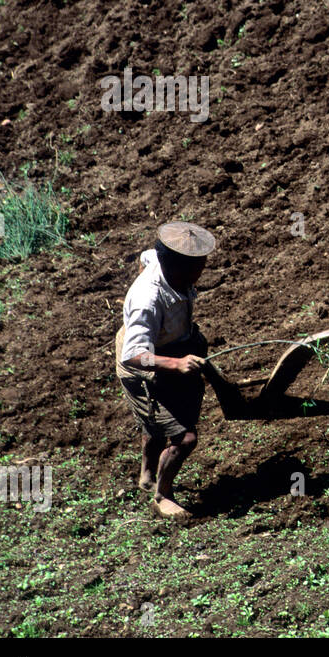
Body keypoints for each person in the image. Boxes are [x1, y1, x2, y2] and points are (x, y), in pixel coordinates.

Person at [115, 221, 219, 519]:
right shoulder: (147, 300)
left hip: (170, 349)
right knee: (185, 438)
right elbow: (133, 355)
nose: (204, 268)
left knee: (155, 426)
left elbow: (145, 257)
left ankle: (146, 476)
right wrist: (176, 363)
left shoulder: (161, 260)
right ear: (179, 266)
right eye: (199, 264)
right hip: (142, 366)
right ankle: (163, 494)